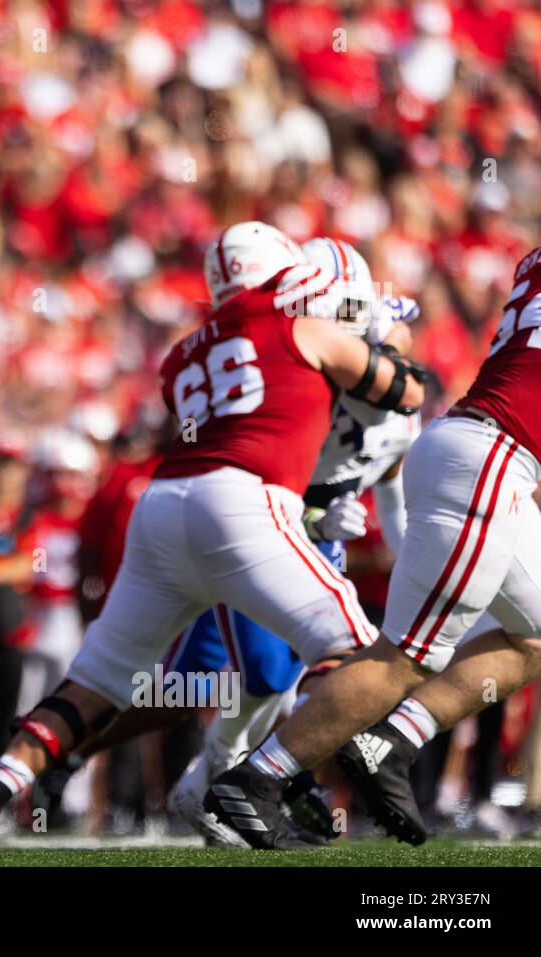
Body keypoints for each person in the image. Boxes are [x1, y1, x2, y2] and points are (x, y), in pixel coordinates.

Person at [0, 221, 427, 851]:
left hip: (164, 506)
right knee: (361, 657)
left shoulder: (183, 354)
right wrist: (382, 336)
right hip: (246, 503)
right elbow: (407, 391)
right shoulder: (304, 328)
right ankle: (267, 781)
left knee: (96, 682)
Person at [206, 243, 541, 849]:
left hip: (483, 455)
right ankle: (257, 778)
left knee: (534, 634)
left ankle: (390, 742)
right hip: (490, 460)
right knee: (408, 655)